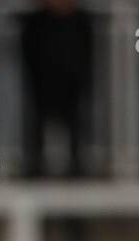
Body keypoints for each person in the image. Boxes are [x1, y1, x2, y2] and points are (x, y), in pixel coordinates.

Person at [19, 0, 93, 178]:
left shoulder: (81, 20)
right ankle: (35, 165)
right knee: (37, 122)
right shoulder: (36, 21)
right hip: (42, 81)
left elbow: (88, 52)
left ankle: (76, 165)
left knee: (75, 123)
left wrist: (82, 77)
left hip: (72, 81)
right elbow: (27, 50)